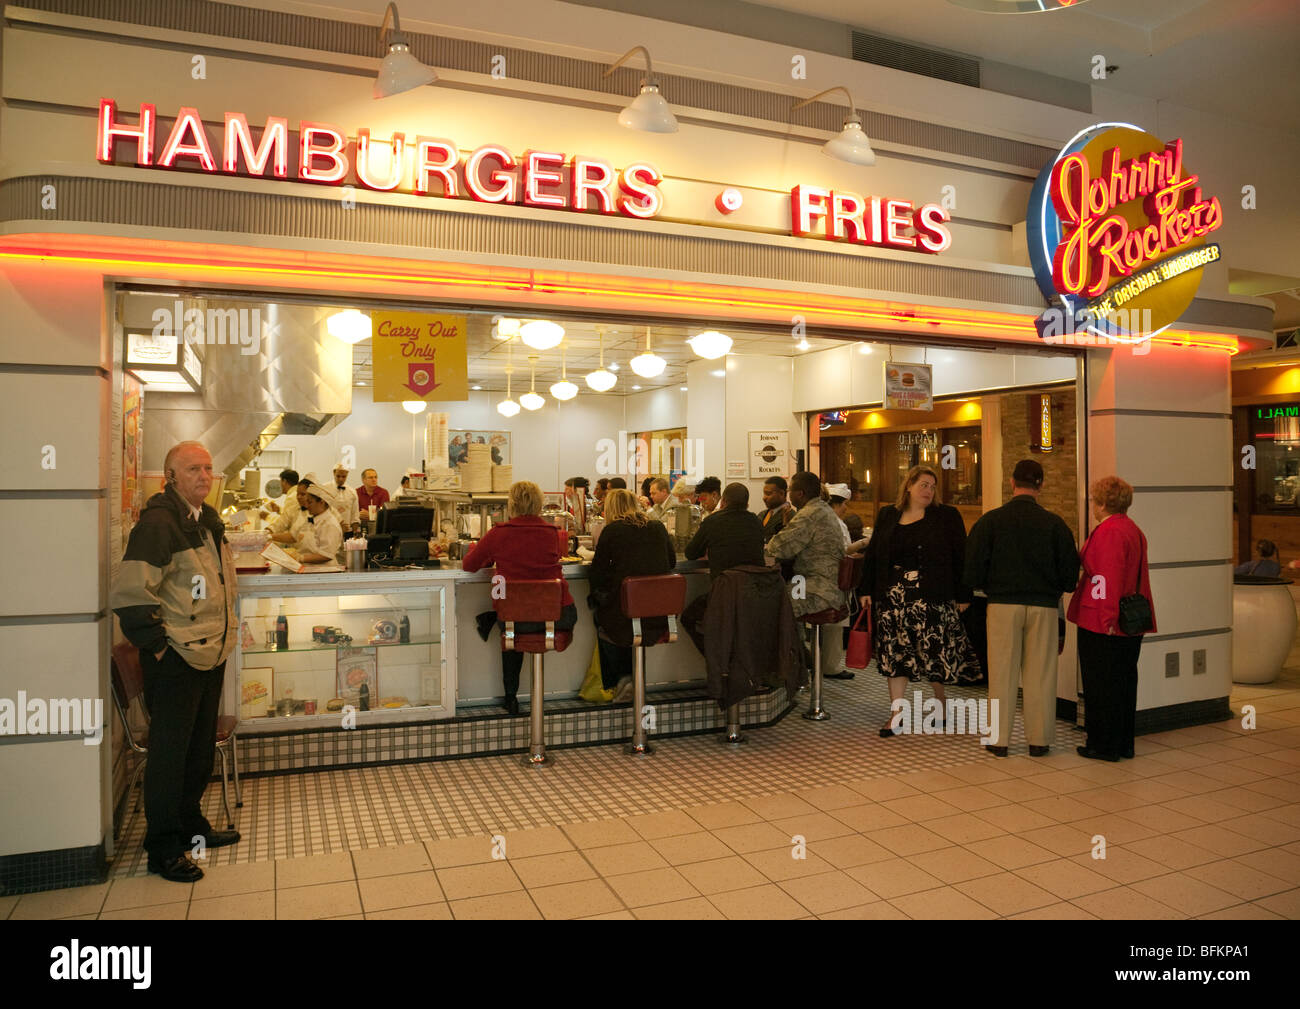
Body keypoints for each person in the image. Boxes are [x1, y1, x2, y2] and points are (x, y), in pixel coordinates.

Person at [111, 441, 240, 883]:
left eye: (208, 468)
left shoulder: (206, 520)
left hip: (209, 653)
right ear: (171, 477)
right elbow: (131, 596)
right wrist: (160, 647)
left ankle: (190, 825)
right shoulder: (158, 524)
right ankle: (163, 848)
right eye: (192, 469)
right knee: (169, 755)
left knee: (198, 750)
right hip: (177, 660)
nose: (204, 476)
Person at [965, 459, 1080, 757]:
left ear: (1012, 483)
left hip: (1002, 605)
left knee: (1002, 672)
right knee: (1041, 674)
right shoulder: (1055, 524)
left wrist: (987, 585)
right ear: (1041, 485)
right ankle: (1039, 740)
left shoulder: (991, 521)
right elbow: (1070, 575)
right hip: (1043, 607)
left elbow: (972, 568)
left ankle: (999, 740)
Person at [859, 465, 980, 738]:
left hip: (932, 596)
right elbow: (874, 553)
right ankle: (897, 713)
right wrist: (865, 589)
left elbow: (961, 555)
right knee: (895, 654)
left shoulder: (946, 516)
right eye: (924, 485)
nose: (929, 491)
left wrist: (964, 594)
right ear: (909, 486)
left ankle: (941, 703)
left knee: (934, 654)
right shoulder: (889, 514)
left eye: (933, 486)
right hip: (893, 598)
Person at [462, 481, 577, 717]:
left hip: (515, 618)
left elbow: (469, 565)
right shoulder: (552, 533)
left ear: (511, 504)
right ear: (539, 504)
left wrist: (486, 554)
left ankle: (510, 697)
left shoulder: (499, 533)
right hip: (558, 616)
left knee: (510, 618)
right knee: (516, 614)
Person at [1067, 476, 1156, 762]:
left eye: (1094, 500)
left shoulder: (1109, 532)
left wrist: (1107, 618)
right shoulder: (1133, 529)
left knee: (1100, 685)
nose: (1093, 505)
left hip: (1103, 621)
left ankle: (1102, 745)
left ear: (1103, 503)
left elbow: (1106, 578)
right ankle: (1123, 743)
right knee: (1124, 684)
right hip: (1131, 621)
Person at [588, 489, 677, 702]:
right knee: (623, 618)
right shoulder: (657, 526)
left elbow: (597, 572)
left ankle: (622, 678)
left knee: (603, 617)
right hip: (661, 616)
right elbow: (672, 562)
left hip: (623, 618)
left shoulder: (612, 530)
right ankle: (631, 679)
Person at [766, 471, 847, 682]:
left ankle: (791, 669)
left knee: (772, 606)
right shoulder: (822, 509)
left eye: (790, 490)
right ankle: (801, 660)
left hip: (817, 589)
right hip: (822, 585)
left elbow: (779, 548)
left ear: (800, 493)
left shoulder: (809, 514)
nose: (789, 494)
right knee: (784, 596)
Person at [681, 482, 766, 652]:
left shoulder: (712, 521)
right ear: (747, 504)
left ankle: (719, 658)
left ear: (723, 501)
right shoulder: (756, 522)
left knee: (689, 618)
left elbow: (691, 553)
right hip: (755, 594)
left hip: (723, 594)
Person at [294, 479, 345, 565]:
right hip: (308, 569)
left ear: (322, 502)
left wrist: (301, 558)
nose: (306, 505)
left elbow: (327, 555)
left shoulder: (329, 524)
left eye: (310, 502)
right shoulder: (311, 520)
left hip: (324, 571)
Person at [826, 483, 869, 555]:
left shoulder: (834, 520)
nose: (846, 508)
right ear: (836, 504)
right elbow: (845, 550)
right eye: (845, 503)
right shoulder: (834, 522)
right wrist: (864, 542)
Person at [759, 476, 796, 542]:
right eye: (764, 493)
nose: (764, 498)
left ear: (782, 493)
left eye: (768, 494)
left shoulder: (792, 516)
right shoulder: (762, 514)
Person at [331, 463, 361, 534]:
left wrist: (355, 532)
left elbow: (355, 514)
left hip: (348, 531)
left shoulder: (352, 491)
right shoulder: (325, 489)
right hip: (330, 530)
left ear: (347, 474)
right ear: (333, 473)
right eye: (338, 476)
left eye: (343, 476)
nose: (341, 479)